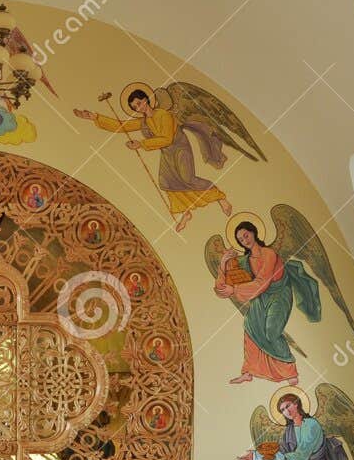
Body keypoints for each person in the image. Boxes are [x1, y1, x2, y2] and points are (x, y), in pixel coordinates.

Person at [75, 86, 233, 231]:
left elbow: (167, 139)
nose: (139, 107)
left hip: (180, 149)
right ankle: (186, 213)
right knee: (167, 181)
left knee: (188, 178)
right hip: (167, 153)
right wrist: (94, 117)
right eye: (135, 107)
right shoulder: (144, 121)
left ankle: (220, 197)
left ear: (146, 99)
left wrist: (141, 144)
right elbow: (121, 126)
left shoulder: (163, 114)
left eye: (139, 103)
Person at [215, 219, 321, 384]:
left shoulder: (269, 254)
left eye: (246, 235)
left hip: (279, 295)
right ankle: (248, 372)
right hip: (260, 297)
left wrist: (235, 290)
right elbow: (221, 288)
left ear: (254, 233)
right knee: (250, 325)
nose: (245, 240)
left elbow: (262, 283)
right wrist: (223, 263)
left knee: (271, 331)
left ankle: (290, 373)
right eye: (241, 240)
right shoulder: (245, 261)